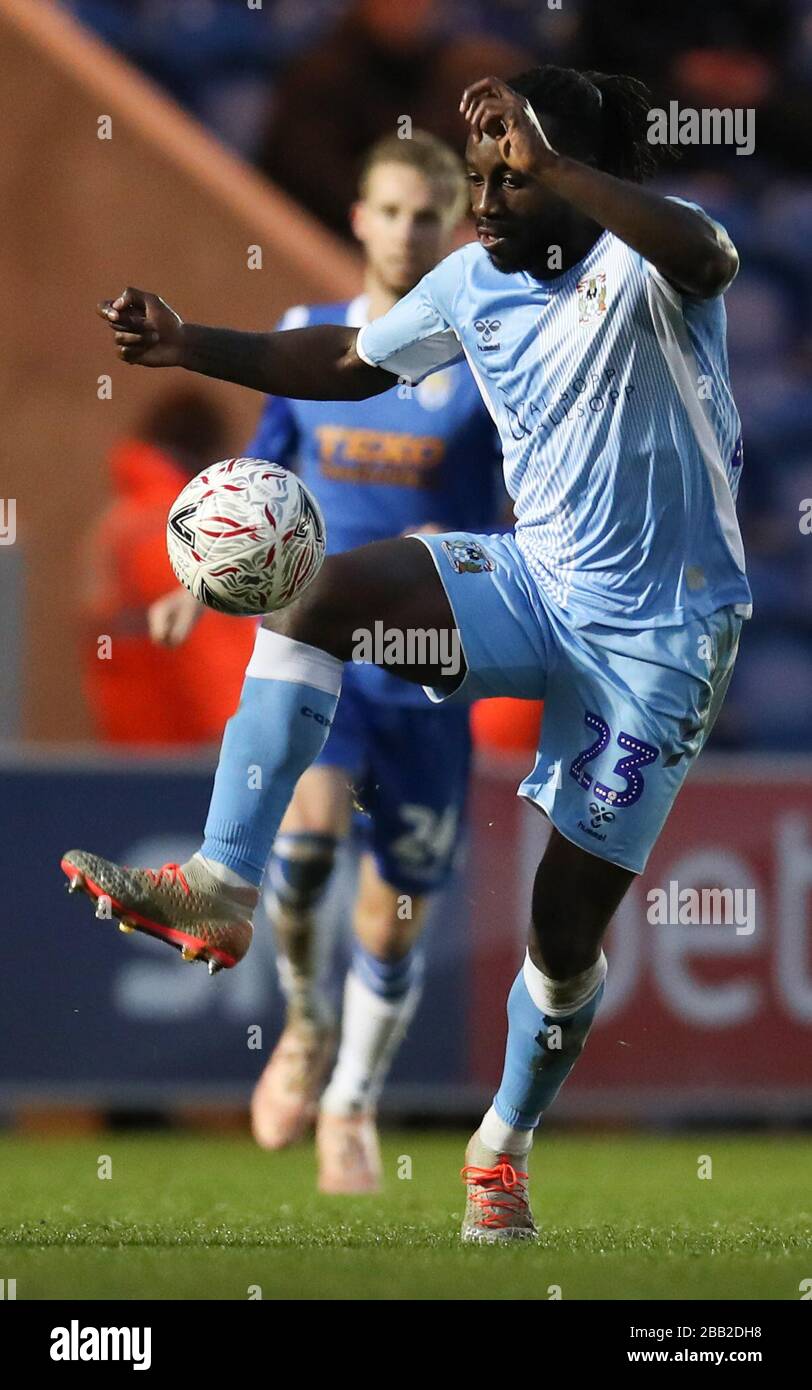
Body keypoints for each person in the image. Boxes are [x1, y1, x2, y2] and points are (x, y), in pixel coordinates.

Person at [65, 65, 750, 1242]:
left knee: (562, 932)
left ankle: (500, 1147)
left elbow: (710, 255)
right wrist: (193, 344)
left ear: (566, 172)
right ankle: (225, 880)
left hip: (662, 642)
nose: (483, 194)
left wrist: (556, 164)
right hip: (535, 584)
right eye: (476, 170)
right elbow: (346, 364)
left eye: (507, 173)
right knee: (311, 594)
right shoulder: (471, 282)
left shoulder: (646, 269)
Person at [147, 131, 502, 1193]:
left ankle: (350, 1099)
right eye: (390, 210)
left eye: (427, 214)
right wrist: (193, 579)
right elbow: (257, 481)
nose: (407, 231)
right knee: (302, 843)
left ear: (450, 226)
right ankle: (303, 1024)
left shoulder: (479, 350)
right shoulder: (307, 338)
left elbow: (524, 499)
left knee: (390, 912)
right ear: (358, 217)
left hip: (435, 658)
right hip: (316, 636)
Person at [77, 389, 255, 746]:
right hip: (191, 757)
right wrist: (240, 739)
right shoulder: (175, 528)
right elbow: (203, 647)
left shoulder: (124, 521)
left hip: (146, 752)